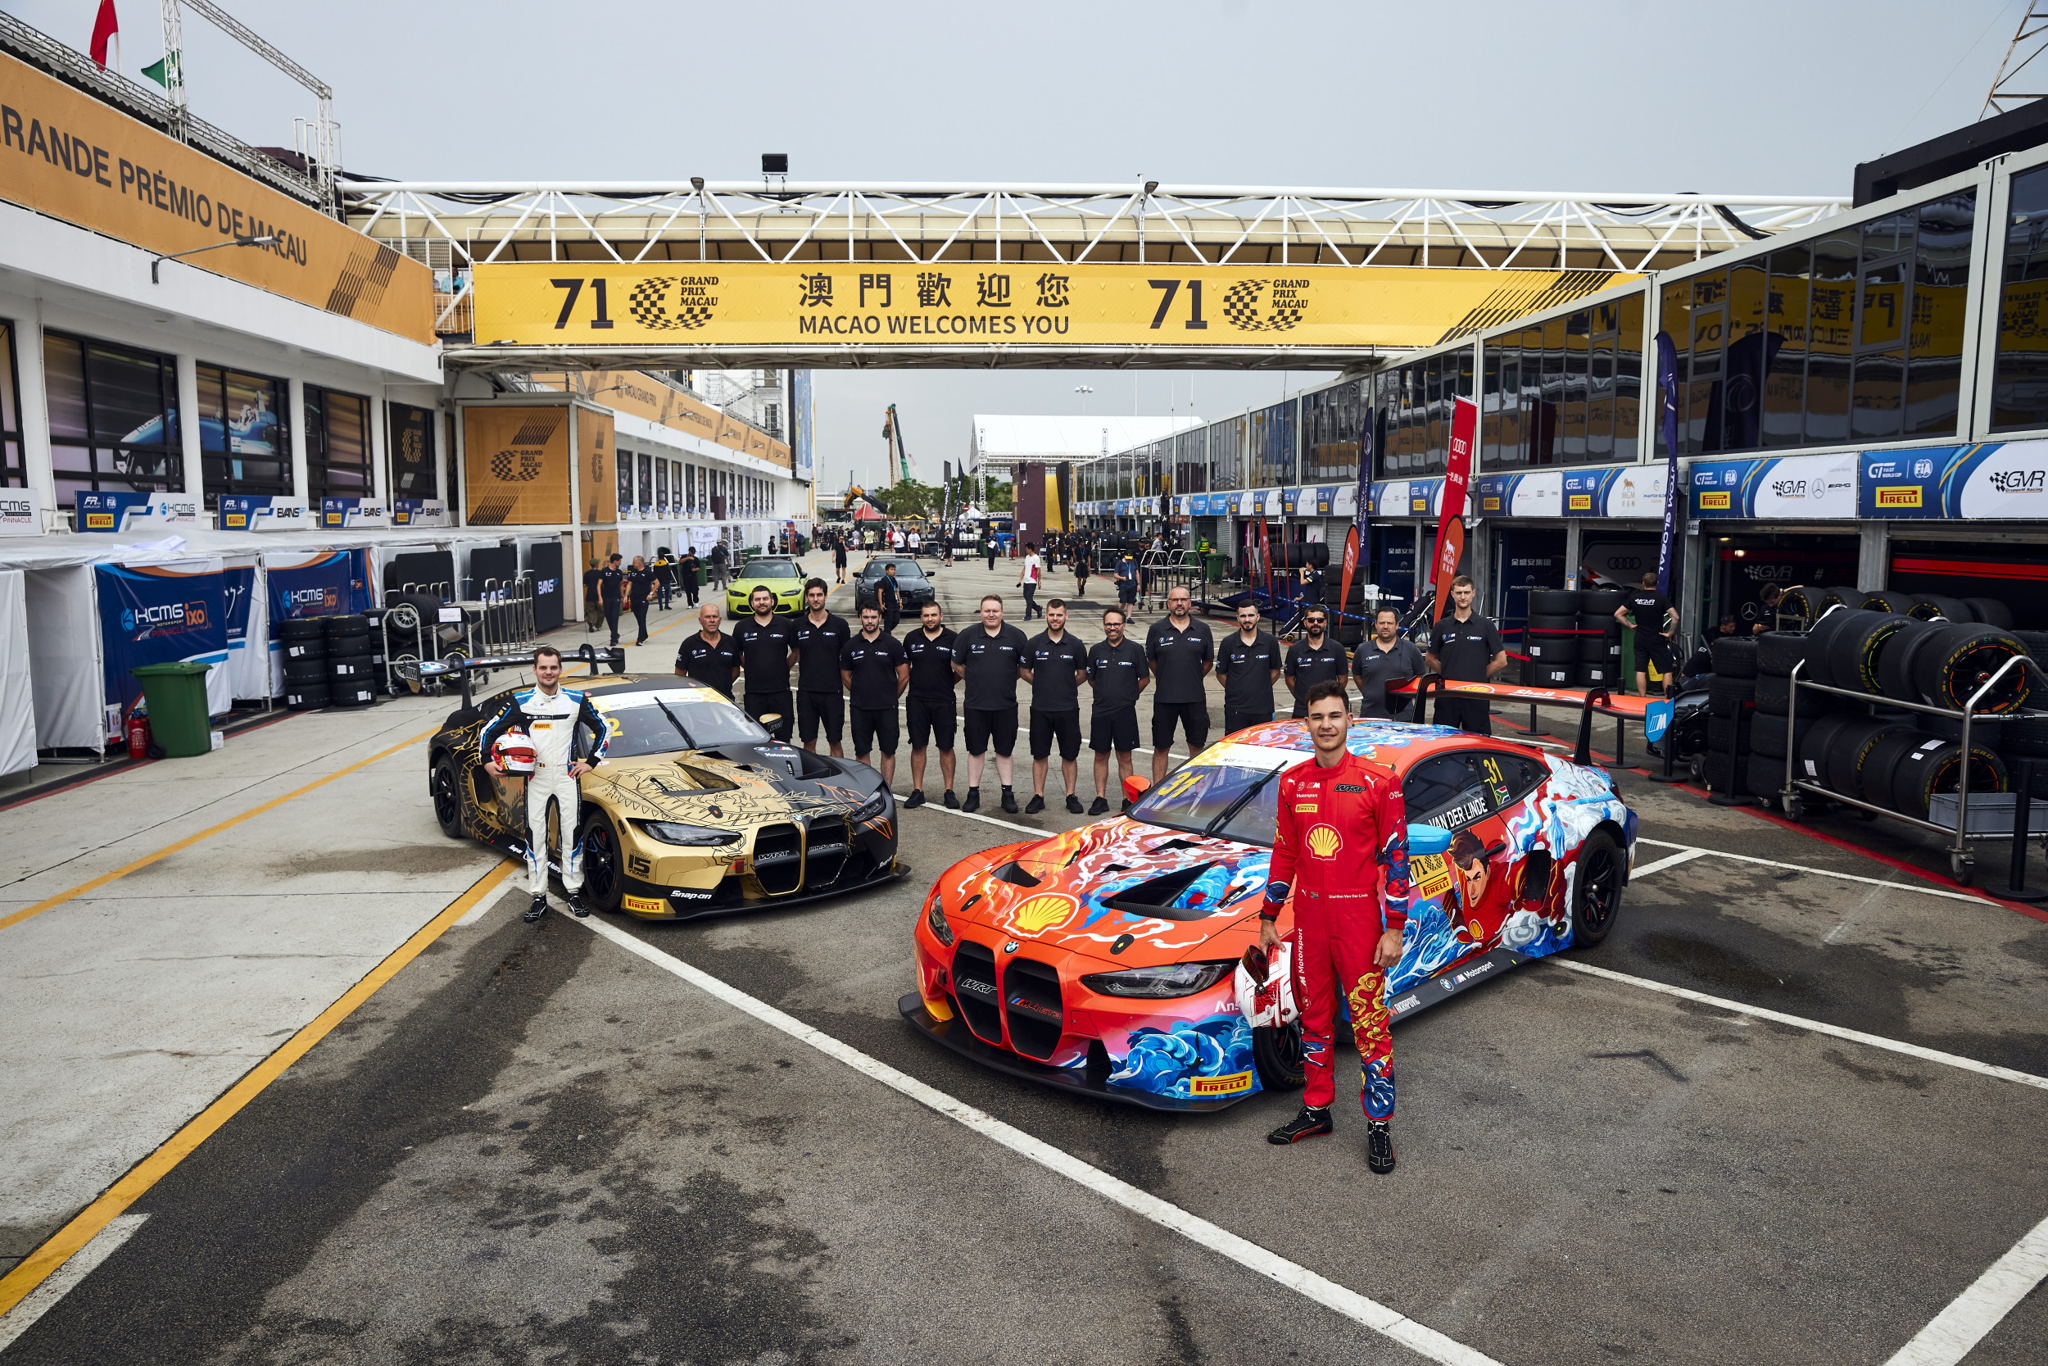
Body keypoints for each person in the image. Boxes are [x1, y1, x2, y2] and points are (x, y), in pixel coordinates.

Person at [1258, 678, 1411, 1171]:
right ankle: (1317, 1108)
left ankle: (1379, 1126)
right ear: (1306, 723)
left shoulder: (1378, 783)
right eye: (1316, 716)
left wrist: (1394, 928)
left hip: (1361, 924)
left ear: (1350, 720)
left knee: (1369, 1023)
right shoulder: (1293, 782)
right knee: (1315, 1018)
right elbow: (1284, 853)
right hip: (1309, 922)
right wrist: (1267, 917)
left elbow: (1398, 861)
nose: (1326, 725)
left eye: (1334, 715)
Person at [480, 645, 609, 923]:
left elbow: (604, 727)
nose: (548, 672)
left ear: (560, 669)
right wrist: (486, 761)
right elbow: (489, 730)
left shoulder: (576, 700)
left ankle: (573, 891)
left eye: (553, 667)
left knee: (571, 835)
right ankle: (538, 896)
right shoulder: (520, 700)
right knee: (535, 836)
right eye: (543, 667)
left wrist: (591, 762)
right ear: (535, 670)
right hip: (535, 777)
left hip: (567, 776)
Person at [954, 593, 1030, 813]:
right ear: (981, 612)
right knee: (975, 751)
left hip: (1005, 706)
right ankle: (973, 794)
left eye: (995, 610)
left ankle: (1007, 794)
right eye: (987, 610)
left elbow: (1021, 668)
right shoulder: (968, 636)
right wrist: (975, 678)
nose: (991, 614)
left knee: (1004, 752)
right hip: (976, 706)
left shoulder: (1016, 636)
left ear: (1002, 612)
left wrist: (1004, 678)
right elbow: (956, 664)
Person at [1146, 584, 1215, 785]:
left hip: (1194, 698)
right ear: (1168, 603)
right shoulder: (1156, 629)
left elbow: (1208, 661)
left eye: (1183, 600)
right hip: (1165, 699)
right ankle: (1157, 790)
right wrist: (1168, 676)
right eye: (1175, 600)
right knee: (1161, 747)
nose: (1179, 604)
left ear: (1189, 603)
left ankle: (1195, 788)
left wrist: (1191, 677)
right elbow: (1152, 660)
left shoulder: (1202, 629)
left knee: (1196, 746)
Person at [1025, 599, 1089, 814]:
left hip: (1067, 708)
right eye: (1051, 615)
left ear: (1066, 616)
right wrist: (1042, 684)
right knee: (1039, 755)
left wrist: (1066, 685)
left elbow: (1082, 673)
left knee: (1069, 755)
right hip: (1041, 709)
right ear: (1046, 615)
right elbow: (1024, 670)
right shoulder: (1034, 643)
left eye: (1059, 615)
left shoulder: (1075, 644)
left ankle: (1070, 795)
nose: (1055, 619)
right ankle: (1038, 795)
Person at [1085, 606, 1149, 815]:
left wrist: (1129, 696)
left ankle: (1127, 800)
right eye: (1108, 624)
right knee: (1101, 755)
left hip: (1125, 712)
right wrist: (1106, 693)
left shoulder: (1135, 650)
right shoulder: (1095, 650)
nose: (1112, 628)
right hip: (1101, 711)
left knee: (1125, 756)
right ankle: (1100, 797)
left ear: (1123, 625)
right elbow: (1091, 679)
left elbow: (1144, 678)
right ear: (1104, 626)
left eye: (1116, 624)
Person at [1425, 575, 1507, 735]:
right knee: (1443, 743)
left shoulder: (1486, 625)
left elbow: (1501, 661)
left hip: (1477, 696)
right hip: (1447, 696)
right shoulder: (1442, 626)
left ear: (1473, 593)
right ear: (1452, 594)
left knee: (1478, 744)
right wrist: (1449, 674)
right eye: (1459, 592)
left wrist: (1477, 677)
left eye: (1466, 592)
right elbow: (1430, 658)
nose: (1463, 596)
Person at [901, 601, 960, 809]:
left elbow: (959, 670)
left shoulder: (953, 639)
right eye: (926, 615)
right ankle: (918, 791)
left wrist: (945, 683)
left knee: (946, 746)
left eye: (933, 615)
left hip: (944, 701)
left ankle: (949, 791)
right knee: (918, 746)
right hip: (917, 700)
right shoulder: (911, 638)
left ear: (941, 616)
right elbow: (905, 669)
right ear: (921, 618)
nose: (930, 619)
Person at [840, 604, 908, 784]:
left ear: (880, 618)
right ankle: (868, 789)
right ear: (860, 618)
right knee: (862, 751)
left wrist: (891, 696)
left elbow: (903, 676)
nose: (869, 621)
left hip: (887, 708)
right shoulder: (851, 645)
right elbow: (845, 676)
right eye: (866, 617)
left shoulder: (892, 644)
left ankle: (886, 789)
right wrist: (860, 692)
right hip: (860, 708)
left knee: (888, 751)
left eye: (873, 617)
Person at [791, 579, 850, 758]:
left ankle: (840, 783)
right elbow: (796, 653)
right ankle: (811, 783)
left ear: (825, 596)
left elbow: (846, 658)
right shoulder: (797, 625)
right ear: (806, 598)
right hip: (806, 693)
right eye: (812, 595)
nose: (816, 599)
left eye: (819, 595)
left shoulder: (839, 625)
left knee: (835, 741)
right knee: (808, 741)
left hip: (832, 692)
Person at [735, 587, 796, 740]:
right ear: (751, 603)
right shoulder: (742, 627)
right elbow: (737, 653)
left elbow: (796, 651)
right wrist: (749, 668)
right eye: (757, 599)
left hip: (781, 693)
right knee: (757, 740)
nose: (761, 602)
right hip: (754, 694)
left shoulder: (786, 625)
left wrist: (783, 667)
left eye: (765, 598)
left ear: (772, 601)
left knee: (784, 739)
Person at [1217, 601, 1283, 734]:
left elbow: (1276, 670)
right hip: (1235, 709)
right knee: (1234, 749)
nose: (1247, 620)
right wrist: (1236, 688)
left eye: (1251, 615)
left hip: (1263, 708)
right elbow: (1221, 673)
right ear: (1237, 618)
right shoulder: (1228, 643)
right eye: (1243, 616)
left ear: (1258, 617)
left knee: (1262, 749)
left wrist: (1261, 687)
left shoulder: (1270, 642)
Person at [1353, 607, 1428, 721]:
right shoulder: (1363, 649)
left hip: (1404, 717)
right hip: (1370, 716)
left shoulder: (1411, 649)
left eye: (1390, 623)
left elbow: (1420, 677)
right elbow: (1357, 676)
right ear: (1375, 625)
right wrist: (1369, 692)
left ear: (1397, 625)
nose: (1385, 626)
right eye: (1382, 623)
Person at [1615, 570, 1679, 697]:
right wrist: (1670, 633)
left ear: (1643, 583)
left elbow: (1618, 614)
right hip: (1657, 638)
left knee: (1641, 669)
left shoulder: (1635, 598)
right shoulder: (1661, 598)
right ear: (1657, 583)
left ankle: (1642, 698)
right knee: (1667, 670)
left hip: (1640, 638)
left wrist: (1630, 625)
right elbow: (1675, 617)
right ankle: (1668, 699)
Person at [1284, 607, 1347, 718]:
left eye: (1320, 620)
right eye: (1311, 620)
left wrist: (1331, 697)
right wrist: (1303, 698)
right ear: (1305, 622)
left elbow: (1343, 679)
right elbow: (1289, 679)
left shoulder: (1337, 648)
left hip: (1329, 710)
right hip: (1302, 710)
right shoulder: (1295, 649)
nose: (1316, 623)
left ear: (1325, 622)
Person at [674, 603, 741, 697]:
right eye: (707, 617)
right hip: (699, 701)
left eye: (715, 616)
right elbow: (679, 675)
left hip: (725, 698)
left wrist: (722, 685)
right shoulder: (689, 644)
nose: (712, 620)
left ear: (720, 620)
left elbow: (735, 672)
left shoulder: (730, 642)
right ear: (700, 620)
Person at [626, 555, 657, 646]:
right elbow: (629, 584)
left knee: (642, 617)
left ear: (640, 562)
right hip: (634, 598)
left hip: (644, 598)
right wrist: (626, 595)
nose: (633, 564)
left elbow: (657, 582)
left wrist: (651, 594)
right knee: (639, 618)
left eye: (634, 562)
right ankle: (645, 634)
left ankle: (640, 639)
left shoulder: (647, 572)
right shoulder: (633, 572)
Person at [597, 553, 626, 646]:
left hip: (616, 597)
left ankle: (613, 639)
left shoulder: (619, 572)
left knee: (614, 617)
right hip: (606, 598)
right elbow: (599, 585)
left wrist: (622, 596)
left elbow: (620, 585)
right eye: (619, 561)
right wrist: (600, 598)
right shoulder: (604, 571)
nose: (620, 563)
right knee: (609, 617)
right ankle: (615, 634)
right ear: (615, 561)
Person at [1018, 542, 1045, 621]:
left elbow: (1038, 570)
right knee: (1026, 597)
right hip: (1026, 580)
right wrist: (1020, 578)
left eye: (1026, 549)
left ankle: (1028, 615)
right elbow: (1025, 568)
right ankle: (1038, 608)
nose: (1025, 550)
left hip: (1032, 580)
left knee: (1029, 598)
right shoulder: (1027, 557)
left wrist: (1039, 581)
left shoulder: (1036, 558)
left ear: (1030, 549)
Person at [878, 561, 905, 632]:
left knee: (896, 620)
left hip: (895, 604)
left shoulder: (894, 579)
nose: (893, 571)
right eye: (891, 569)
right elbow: (880, 592)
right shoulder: (884, 580)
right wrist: (881, 604)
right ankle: (887, 633)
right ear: (887, 571)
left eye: (894, 569)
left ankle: (886, 632)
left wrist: (900, 601)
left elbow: (897, 590)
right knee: (888, 622)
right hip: (888, 604)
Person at [581, 560, 603, 634]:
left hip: (590, 594)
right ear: (597, 565)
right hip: (599, 595)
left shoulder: (586, 574)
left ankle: (591, 623)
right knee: (600, 611)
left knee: (590, 610)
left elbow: (584, 585)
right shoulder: (600, 573)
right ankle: (598, 625)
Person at [1116, 551, 1140, 619]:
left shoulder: (1134, 562)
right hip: (1123, 585)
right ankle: (1118, 613)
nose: (1129, 559)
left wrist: (1138, 583)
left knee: (1131, 602)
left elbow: (1137, 573)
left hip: (1132, 584)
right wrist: (1122, 578)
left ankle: (1128, 617)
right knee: (1123, 601)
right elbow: (1115, 574)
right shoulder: (1120, 563)